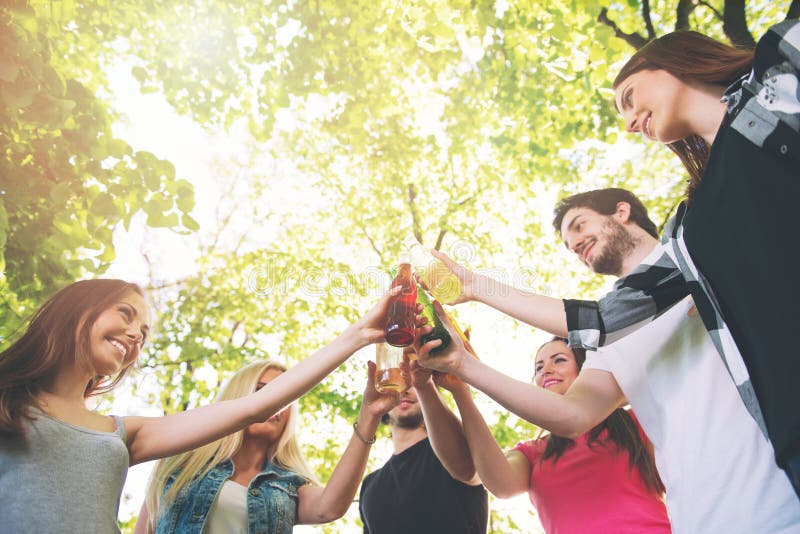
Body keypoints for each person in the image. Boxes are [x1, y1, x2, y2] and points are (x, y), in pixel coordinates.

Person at [415, 188, 800, 532]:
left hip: (784, 502)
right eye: (569, 244)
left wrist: (475, 285)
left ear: (621, 211)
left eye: (579, 226)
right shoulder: (608, 346)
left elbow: (597, 319)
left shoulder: (691, 253)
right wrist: (463, 365)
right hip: (701, 520)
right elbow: (571, 416)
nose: (576, 244)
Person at [0, 278, 406, 533]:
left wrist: (359, 335)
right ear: (76, 311)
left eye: (142, 333)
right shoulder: (9, 401)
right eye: (124, 315)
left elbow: (257, 406)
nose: (134, 336)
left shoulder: (124, 432)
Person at [609, 19, 800, 493]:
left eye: (630, 98)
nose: (631, 122)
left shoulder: (775, 83)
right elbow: (601, 318)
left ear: (669, 62)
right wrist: (473, 287)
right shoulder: (689, 230)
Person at [135, 358, 398, 533]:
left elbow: (330, 507)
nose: (274, 404)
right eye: (261, 389)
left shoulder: (287, 485)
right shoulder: (180, 462)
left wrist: (369, 415)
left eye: (283, 397)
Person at [439, 337, 669, 534]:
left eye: (559, 360)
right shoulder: (532, 452)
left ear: (585, 367)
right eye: (538, 368)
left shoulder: (635, 423)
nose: (546, 370)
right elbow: (501, 485)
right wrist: (461, 391)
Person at [358, 348, 488, 534]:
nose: (405, 387)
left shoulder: (452, 453)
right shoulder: (369, 486)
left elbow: (468, 468)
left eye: (413, 376)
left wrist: (424, 384)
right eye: (395, 378)